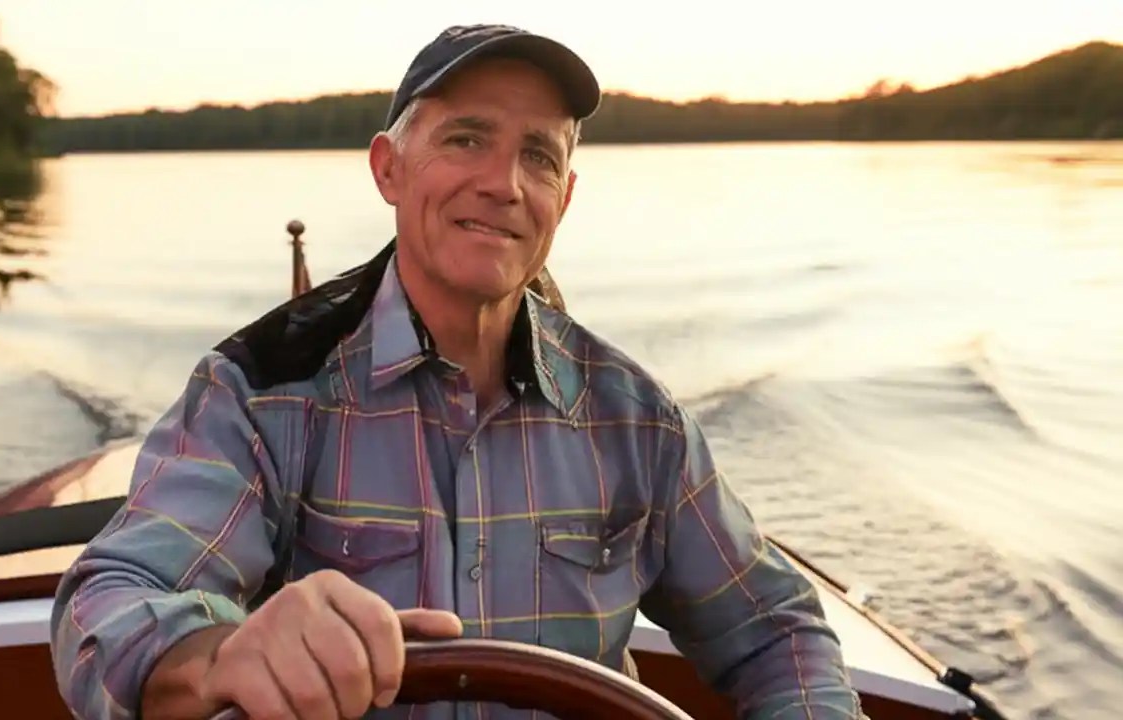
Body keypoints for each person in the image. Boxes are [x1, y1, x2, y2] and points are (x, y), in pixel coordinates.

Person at [50, 24, 865, 720]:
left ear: (564, 198)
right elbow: (112, 596)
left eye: (537, 158)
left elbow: (774, 633)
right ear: (388, 169)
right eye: (467, 139)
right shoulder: (262, 393)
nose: (503, 185)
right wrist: (220, 652)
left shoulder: (636, 420)